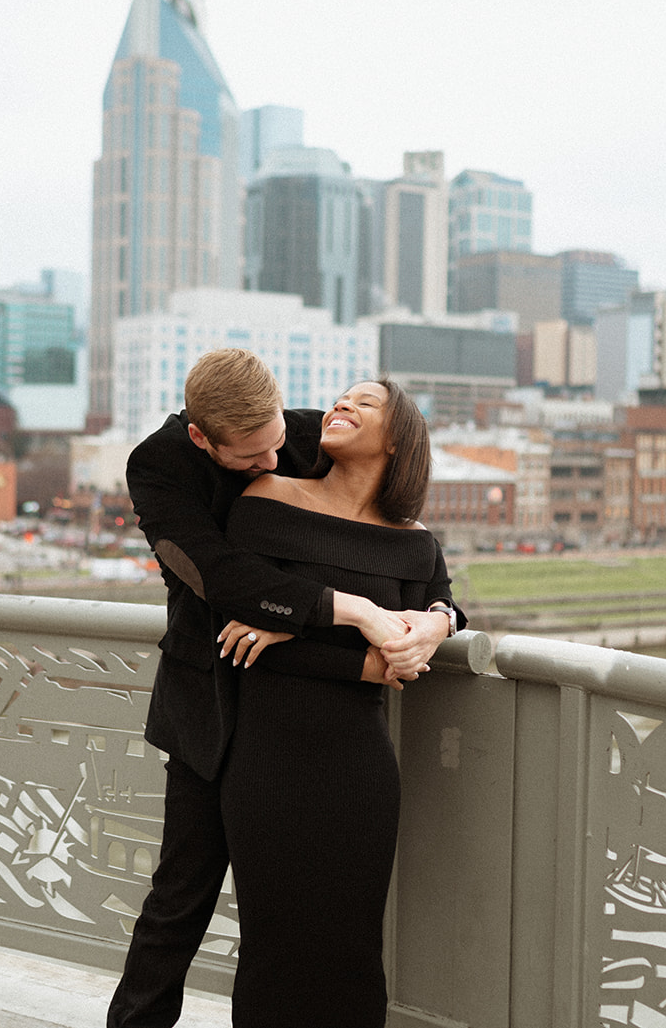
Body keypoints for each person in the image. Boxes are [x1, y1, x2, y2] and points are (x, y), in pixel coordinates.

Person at [108, 351, 457, 1028]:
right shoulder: (158, 467)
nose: (273, 462)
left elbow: (415, 564)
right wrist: (351, 612)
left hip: (315, 727)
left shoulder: (304, 431)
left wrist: (441, 619)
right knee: (179, 902)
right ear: (204, 441)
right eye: (251, 458)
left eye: (277, 444)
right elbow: (224, 579)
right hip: (210, 706)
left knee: (336, 926)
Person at [211, 377, 449, 1026]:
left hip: (358, 769)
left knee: (351, 945)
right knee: (272, 940)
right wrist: (362, 661)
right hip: (265, 757)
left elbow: (437, 612)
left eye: (363, 401)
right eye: (340, 397)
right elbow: (233, 627)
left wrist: (435, 623)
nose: (340, 404)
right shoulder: (265, 498)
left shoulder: (413, 541)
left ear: (398, 439)